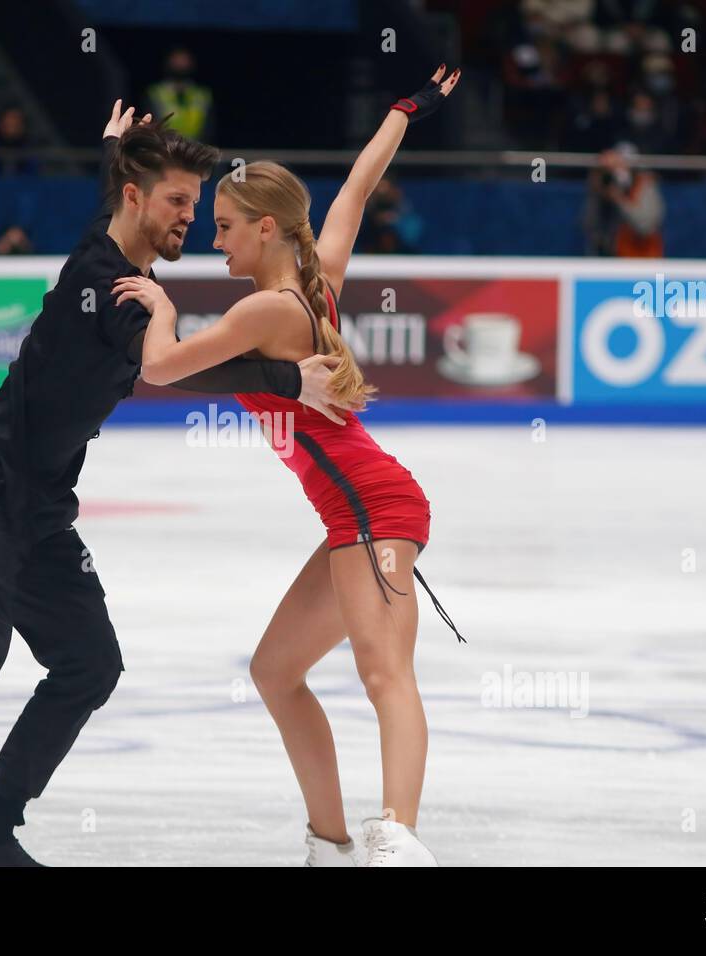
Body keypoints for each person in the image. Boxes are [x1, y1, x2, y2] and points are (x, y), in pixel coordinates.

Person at [0, 101, 356, 867]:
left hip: (40, 509)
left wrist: (113, 148)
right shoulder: (105, 281)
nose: (191, 219)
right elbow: (172, 367)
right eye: (179, 202)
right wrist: (285, 378)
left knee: (90, 664)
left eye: (196, 204)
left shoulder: (115, 257)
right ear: (139, 199)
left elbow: (111, 218)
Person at [112, 66, 464, 867]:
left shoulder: (268, 309)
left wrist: (163, 309)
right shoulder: (319, 284)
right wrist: (405, 111)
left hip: (376, 507)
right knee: (276, 671)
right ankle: (330, 842)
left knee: (384, 672)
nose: (216, 237)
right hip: (355, 513)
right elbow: (354, 193)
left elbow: (160, 369)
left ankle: (399, 839)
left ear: (267, 228)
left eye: (227, 225)